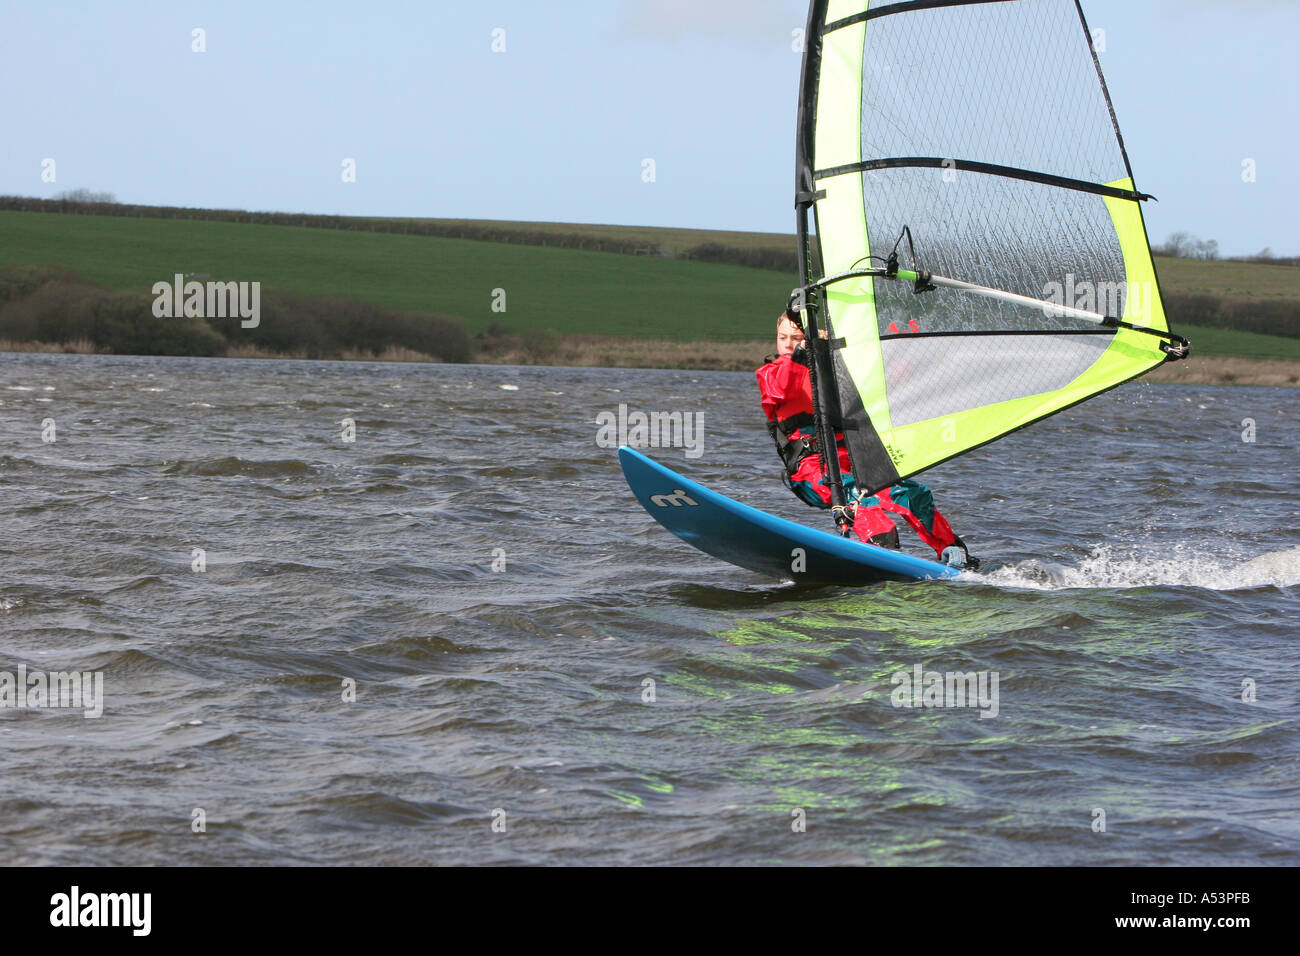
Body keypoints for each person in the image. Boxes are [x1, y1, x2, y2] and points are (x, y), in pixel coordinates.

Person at [755, 308, 975, 568]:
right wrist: (804, 352)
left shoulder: (835, 372)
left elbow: (889, 381)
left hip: (854, 461)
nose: (789, 344)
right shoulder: (772, 372)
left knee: (914, 494)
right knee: (860, 498)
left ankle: (957, 556)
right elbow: (782, 389)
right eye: (783, 338)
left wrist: (903, 348)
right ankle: (884, 554)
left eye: (796, 337)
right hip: (810, 472)